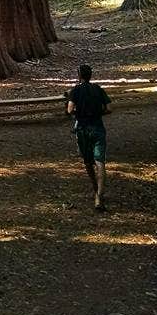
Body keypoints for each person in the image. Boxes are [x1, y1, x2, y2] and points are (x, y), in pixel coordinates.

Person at [67, 63, 111, 211]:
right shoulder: (98, 89)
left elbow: (70, 109)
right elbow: (109, 108)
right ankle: (99, 194)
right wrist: (97, 114)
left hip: (83, 129)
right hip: (98, 127)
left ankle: (95, 190)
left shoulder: (76, 90)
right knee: (100, 161)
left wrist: (80, 114)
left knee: (87, 161)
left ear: (79, 75)